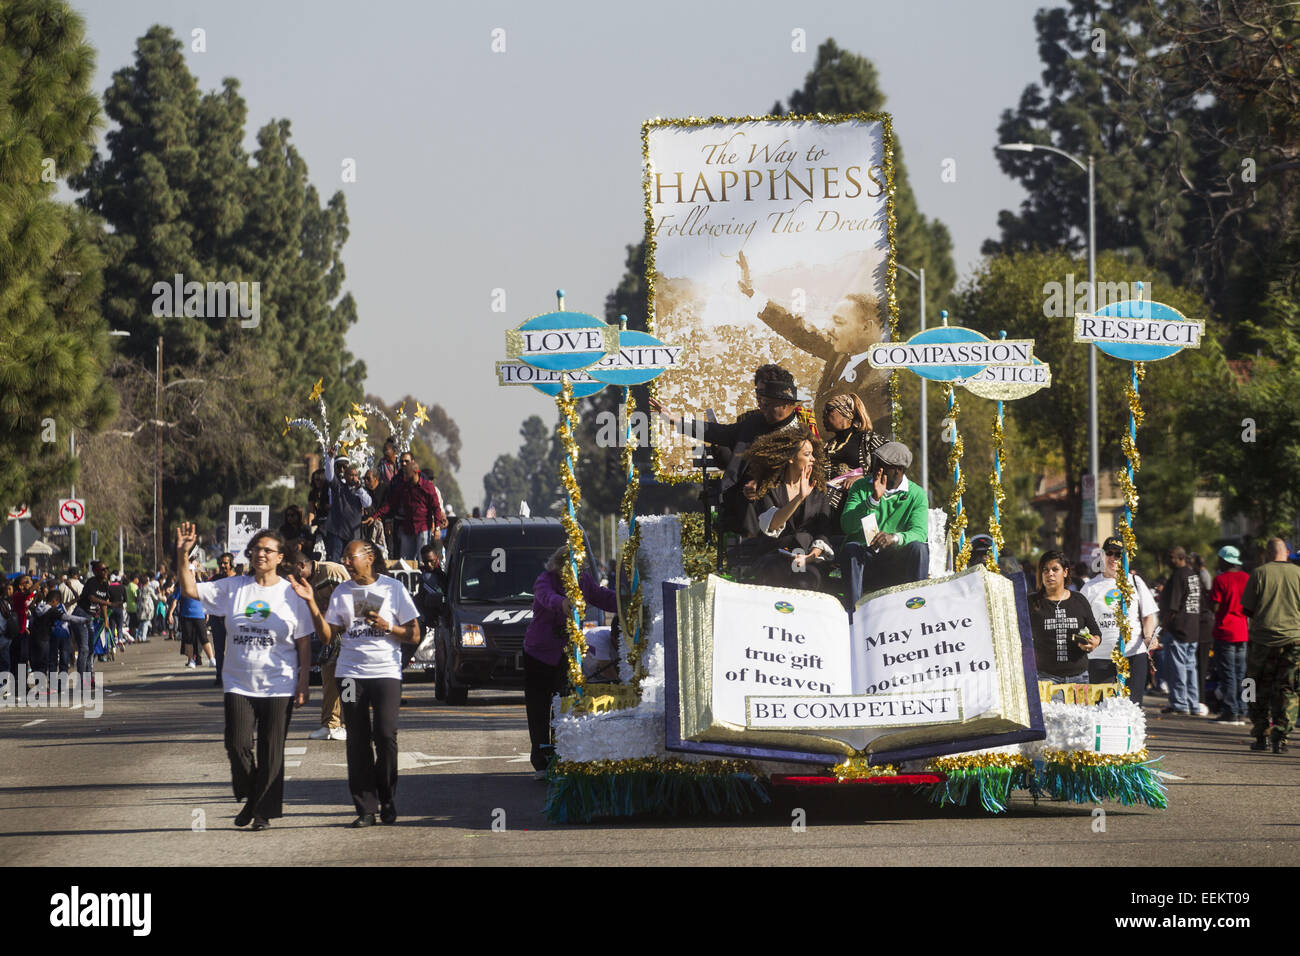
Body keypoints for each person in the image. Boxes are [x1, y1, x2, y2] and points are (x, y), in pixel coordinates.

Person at [178, 523, 312, 830]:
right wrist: (182, 553)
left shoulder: (291, 593)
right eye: (256, 549)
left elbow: (304, 640)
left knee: (271, 751)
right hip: (239, 681)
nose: (260, 554)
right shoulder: (233, 586)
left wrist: (303, 682)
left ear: (280, 557)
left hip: (279, 683)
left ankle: (261, 812)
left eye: (268, 550)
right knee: (236, 744)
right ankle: (253, 797)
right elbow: (189, 588)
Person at [288, 540, 421, 826]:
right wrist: (311, 602)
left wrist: (389, 627)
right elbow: (327, 636)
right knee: (357, 740)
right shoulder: (342, 592)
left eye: (351, 557)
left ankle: (387, 798)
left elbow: (414, 634)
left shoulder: (392, 588)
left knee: (385, 736)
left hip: (385, 672)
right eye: (344, 558)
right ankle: (365, 808)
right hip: (350, 674)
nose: (345, 562)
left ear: (369, 558)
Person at [650, 365, 806, 532]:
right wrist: (674, 420)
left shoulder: (802, 434)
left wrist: (764, 484)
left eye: (766, 402)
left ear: (786, 404)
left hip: (785, 505)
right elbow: (717, 432)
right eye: (759, 397)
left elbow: (800, 475)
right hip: (747, 506)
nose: (761, 405)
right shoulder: (754, 423)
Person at [737, 249, 888, 410]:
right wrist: (753, 294)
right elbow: (800, 332)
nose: (830, 329)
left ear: (866, 327)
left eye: (840, 323)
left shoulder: (883, 374)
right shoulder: (840, 352)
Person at [522, 545, 617, 776]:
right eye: (569, 570)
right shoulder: (545, 580)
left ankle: (563, 754)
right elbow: (546, 597)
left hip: (566, 653)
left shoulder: (583, 581)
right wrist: (563, 603)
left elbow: (601, 596)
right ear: (558, 567)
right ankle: (541, 760)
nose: (574, 575)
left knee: (564, 705)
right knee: (539, 709)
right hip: (538, 654)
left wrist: (624, 601)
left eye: (578, 569)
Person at [734, 425, 836, 590]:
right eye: (807, 454)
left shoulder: (818, 490)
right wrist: (799, 497)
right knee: (774, 576)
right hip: (775, 553)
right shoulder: (769, 487)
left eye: (813, 454)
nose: (813, 459)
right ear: (791, 458)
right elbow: (772, 525)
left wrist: (811, 556)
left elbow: (823, 531)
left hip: (806, 556)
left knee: (804, 581)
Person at [838, 441, 930, 607]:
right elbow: (847, 526)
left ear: (898, 470)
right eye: (875, 463)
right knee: (851, 548)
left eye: (882, 465)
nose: (875, 469)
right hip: (866, 559)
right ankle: (854, 612)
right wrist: (872, 500)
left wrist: (894, 538)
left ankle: (918, 606)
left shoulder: (917, 494)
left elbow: (919, 532)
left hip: (896, 560)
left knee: (919, 548)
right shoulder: (860, 487)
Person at [1240, 537, 1300, 753]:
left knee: (1252, 686)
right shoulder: (1298, 573)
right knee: (1289, 688)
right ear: (1287, 552)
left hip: (1262, 641)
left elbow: (1247, 608)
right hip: (1294, 640)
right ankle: (1280, 737)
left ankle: (1260, 735)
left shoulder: (1259, 573)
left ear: (1267, 553)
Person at [1081, 537, 1158, 705]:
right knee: (1101, 709)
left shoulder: (1134, 582)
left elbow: (1147, 615)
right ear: (1102, 555)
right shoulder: (1090, 587)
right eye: (1110, 553)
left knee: (1132, 708)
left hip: (1132, 655)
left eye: (1118, 554)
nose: (1114, 558)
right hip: (1100, 657)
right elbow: (1081, 621)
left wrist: (1148, 636)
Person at [287, 548, 350, 742]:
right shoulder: (301, 583)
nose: (293, 577)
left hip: (347, 634)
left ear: (302, 565)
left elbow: (352, 597)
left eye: (294, 571)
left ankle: (348, 724)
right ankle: (329, 725)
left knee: (348, 682)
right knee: (328, 678)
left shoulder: (332, 570)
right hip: (328, 636)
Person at [1029, 550, 1102, 695]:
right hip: (1045, 679)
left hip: (1080, 679)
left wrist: (1093, 641)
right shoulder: (1031, 602)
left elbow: (1095, 631)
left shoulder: (1079, 600)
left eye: (1055, 569)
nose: (1050, 574)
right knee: (1053, 718)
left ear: (1065, 572)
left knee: (1080, 718)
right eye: (1045, 570)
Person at [363, 451, 443, 562]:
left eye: (407, 475)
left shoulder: (427, 486)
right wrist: (376, 515)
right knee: (405, 560)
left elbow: (436, 507)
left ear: (415, 473)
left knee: (422, 559)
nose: (405, 477)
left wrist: (437, 528)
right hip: (408, 528)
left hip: (423, 527)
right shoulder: (403, 486)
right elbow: (390, 503)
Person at [820, 391, 887, 519]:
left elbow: (890, 467)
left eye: (829, 411)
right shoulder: (826, 446)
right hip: (828, 502)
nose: (824, 416)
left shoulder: (868, 440)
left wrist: (862, 478)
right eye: (823, 412)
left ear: (845, 413)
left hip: (859, 499)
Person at [1158, 546, 1205, 716]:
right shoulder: (1193, 575)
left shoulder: (1178, 576)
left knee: (1178, 668)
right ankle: (1193, 703)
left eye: (1170, 557)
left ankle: (1180, 703)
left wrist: (1163, 626)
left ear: (1179, 557)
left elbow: (1173, 606)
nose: (1167, 561)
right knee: (1190, 667)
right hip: (1192, 628)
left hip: (1178, 629)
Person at [1209, 545, 1250, 725]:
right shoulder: (1247, 578)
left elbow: (1215, 606)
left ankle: (1230, 711)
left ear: (1225, 561)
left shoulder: (1220, 580)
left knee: (1228, 674)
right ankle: (1242, 710)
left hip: (1225, 631)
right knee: (1241, 673)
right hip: (1243, 631)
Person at [70, 562, 112, 689]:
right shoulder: (91, 582)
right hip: (81, 615)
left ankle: (89, 678)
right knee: (84, 648)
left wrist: (106, 621)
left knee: (91, 649)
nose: (105, 572)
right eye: (102, 569)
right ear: (96, 571)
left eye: (106, 569)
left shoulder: (105, 585)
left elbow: (104, 604)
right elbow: (92, 598)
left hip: (90, 617)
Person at [323, 456, 372, 562]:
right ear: (345, 476)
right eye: (351, 475)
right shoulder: (338, 487)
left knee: (353, 561)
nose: (353, 478)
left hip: (353, 534)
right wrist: (330, 458)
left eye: (355, 475)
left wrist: (359, 489)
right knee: (335, 562)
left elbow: (368, 503)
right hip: (337, 533)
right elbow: (329, 476)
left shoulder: (360, 491)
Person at [171, 561, 213, 670]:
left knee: (204, 638)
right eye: (188, 572)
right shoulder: (182, 587)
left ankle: (212, 659)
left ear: (194, 573)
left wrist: (207, 612)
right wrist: (170, 613)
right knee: (188, 640)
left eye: (191, 571)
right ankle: (191, 660)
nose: (190, 573)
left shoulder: (200, 585)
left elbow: (205, 600)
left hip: (199, 615)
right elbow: (175, 601)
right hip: (186, 616)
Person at [208, 553, 237, 687]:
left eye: (226, 563)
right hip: (217, 619)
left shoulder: (239, 579)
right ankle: (220, 676)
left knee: (234, 649)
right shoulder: (215, 579)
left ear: (231, 564)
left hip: (233, 620)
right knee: (219, 650)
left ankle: (234, 676)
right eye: (221, 563)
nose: (223, 566)